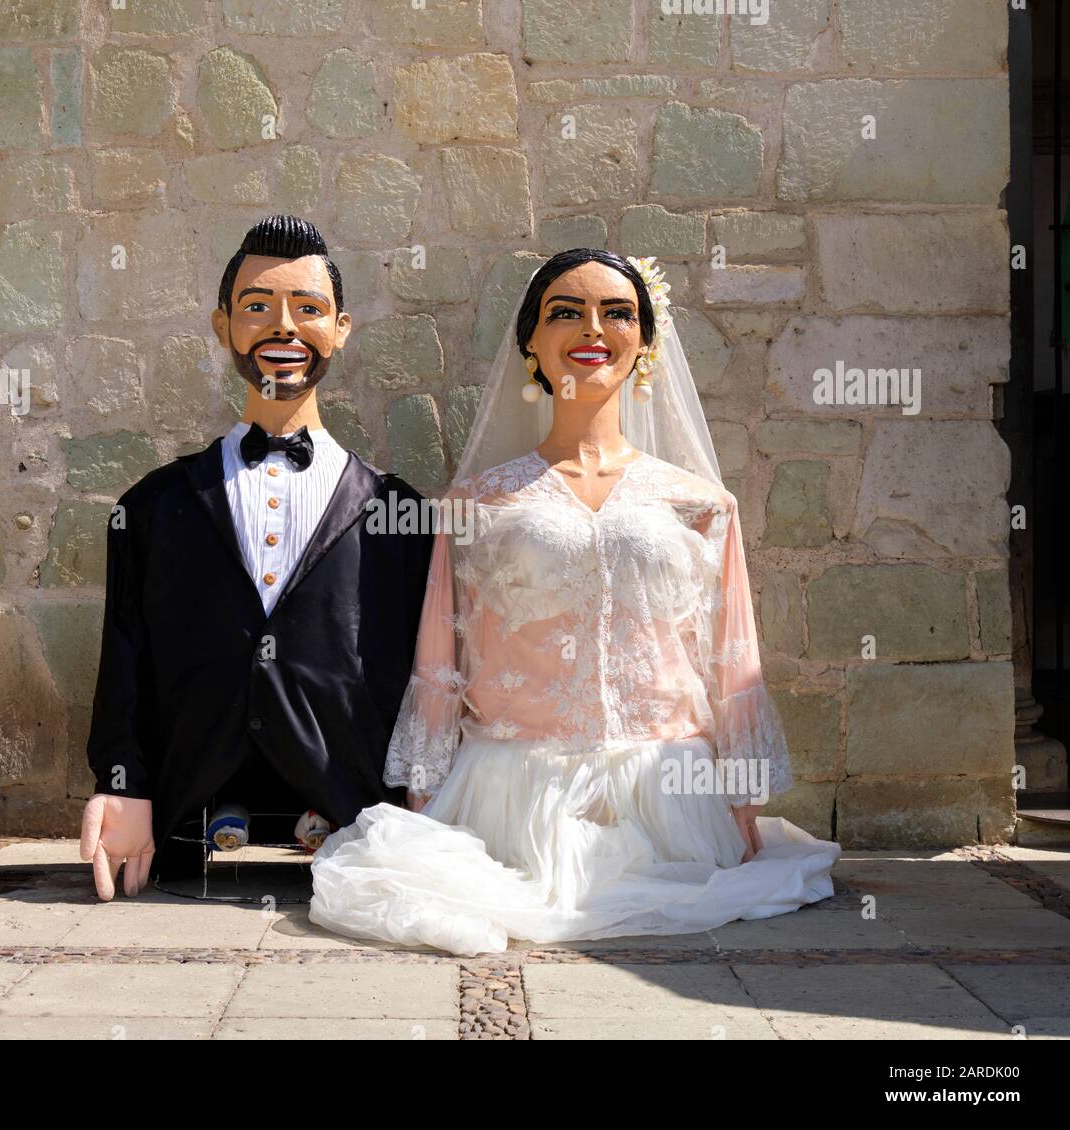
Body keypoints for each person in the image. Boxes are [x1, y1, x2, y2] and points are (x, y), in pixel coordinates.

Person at [308, 248, 841, 955]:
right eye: (566, 311)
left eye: (617, 312)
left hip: (671, 802)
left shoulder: (700, 504)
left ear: (644, 342)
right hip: (510, 795)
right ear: (531, 340)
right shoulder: (478, 502)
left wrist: (741, 802)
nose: (593, 327)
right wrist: (425, 796)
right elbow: (443, 658)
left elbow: (730, 661)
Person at [80, 215, 433, 900]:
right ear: (223, 329)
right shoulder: (152, 505)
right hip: (187, 818)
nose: (284, 328)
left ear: (341, 328)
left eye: (308, 309)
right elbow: (124, 657)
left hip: (360, 819)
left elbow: (427, 676)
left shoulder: (404, 512)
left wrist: (426, 801)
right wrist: (122, 784)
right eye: (257, 308)